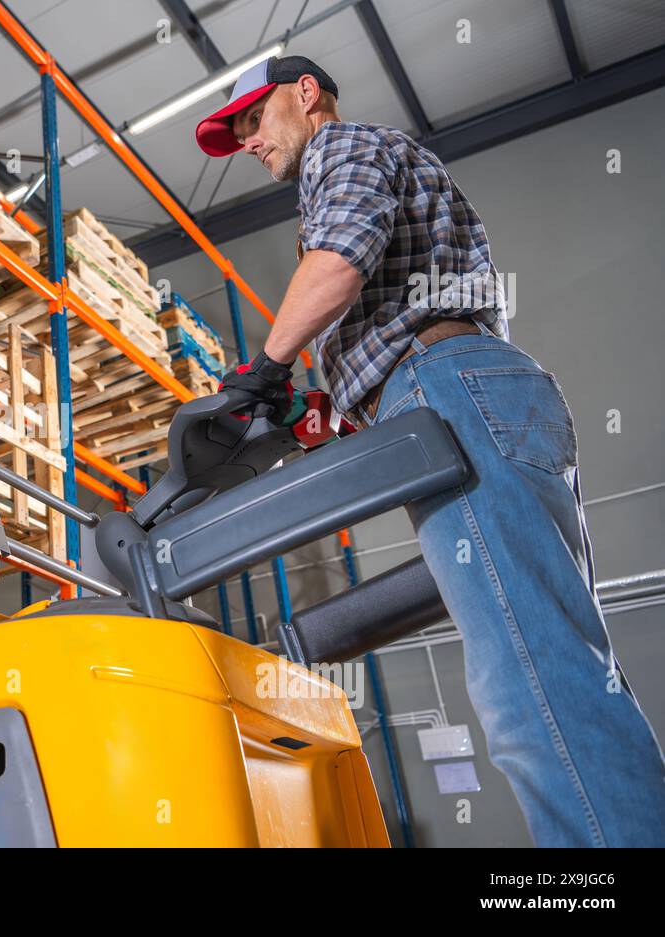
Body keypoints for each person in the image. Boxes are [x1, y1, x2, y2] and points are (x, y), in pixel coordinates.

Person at [195, 54, 665, 847]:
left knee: (530, 684)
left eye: (251, 117)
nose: (246, 139)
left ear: (306, 95)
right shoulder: (379, 163)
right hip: (470, 391)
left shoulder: (339, 151)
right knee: (551, 659)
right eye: (233, 131)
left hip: (449, 389)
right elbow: (377, 303)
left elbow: (340, 257)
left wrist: (264, 367)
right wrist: (330, 406)